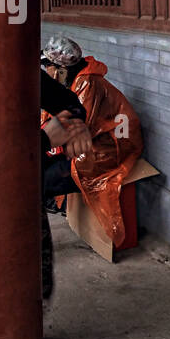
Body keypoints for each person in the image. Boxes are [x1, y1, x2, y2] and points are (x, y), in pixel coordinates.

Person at [41, 36, 145, 251]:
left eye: (47, 66)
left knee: (43, 179)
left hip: (107, 150)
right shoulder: (76, 81)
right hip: (91, 145)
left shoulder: (87, 84)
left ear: (61, 70)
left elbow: (76, 130)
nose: (46, 71)